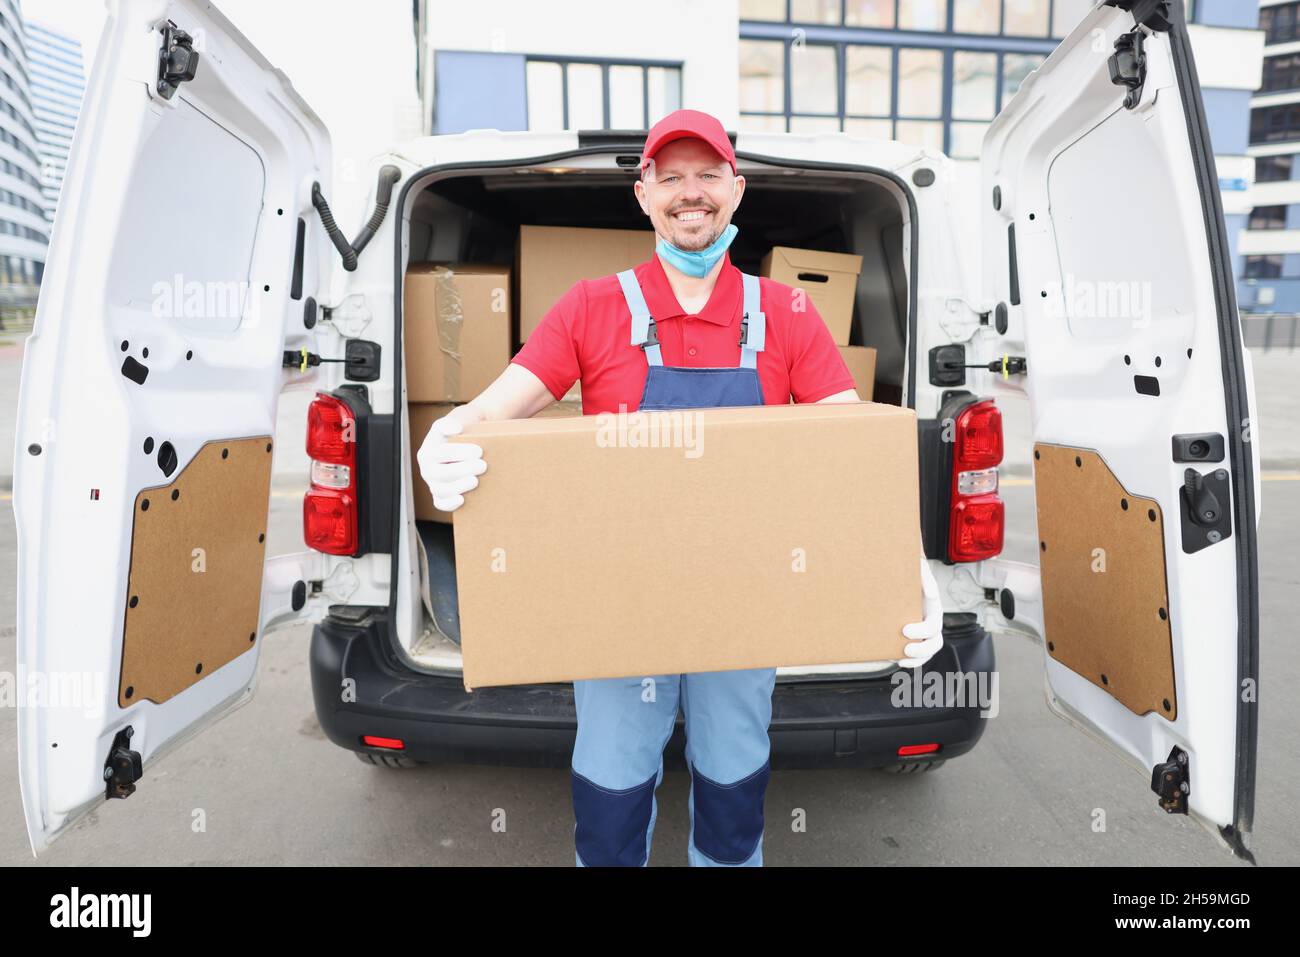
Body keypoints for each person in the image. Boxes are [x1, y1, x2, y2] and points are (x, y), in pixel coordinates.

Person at [416, 109, 943, 867]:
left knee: (733, 787)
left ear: (737, 188)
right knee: (610, 793)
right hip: (619, 599)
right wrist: (450, 433)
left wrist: (907, 570)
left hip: (743, 595)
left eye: (706, 176)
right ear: (643, 194)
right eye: (671, 177)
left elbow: (853, 460)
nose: (689, 193)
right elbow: (496, 408)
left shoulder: (788, 313)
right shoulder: (590, 308)